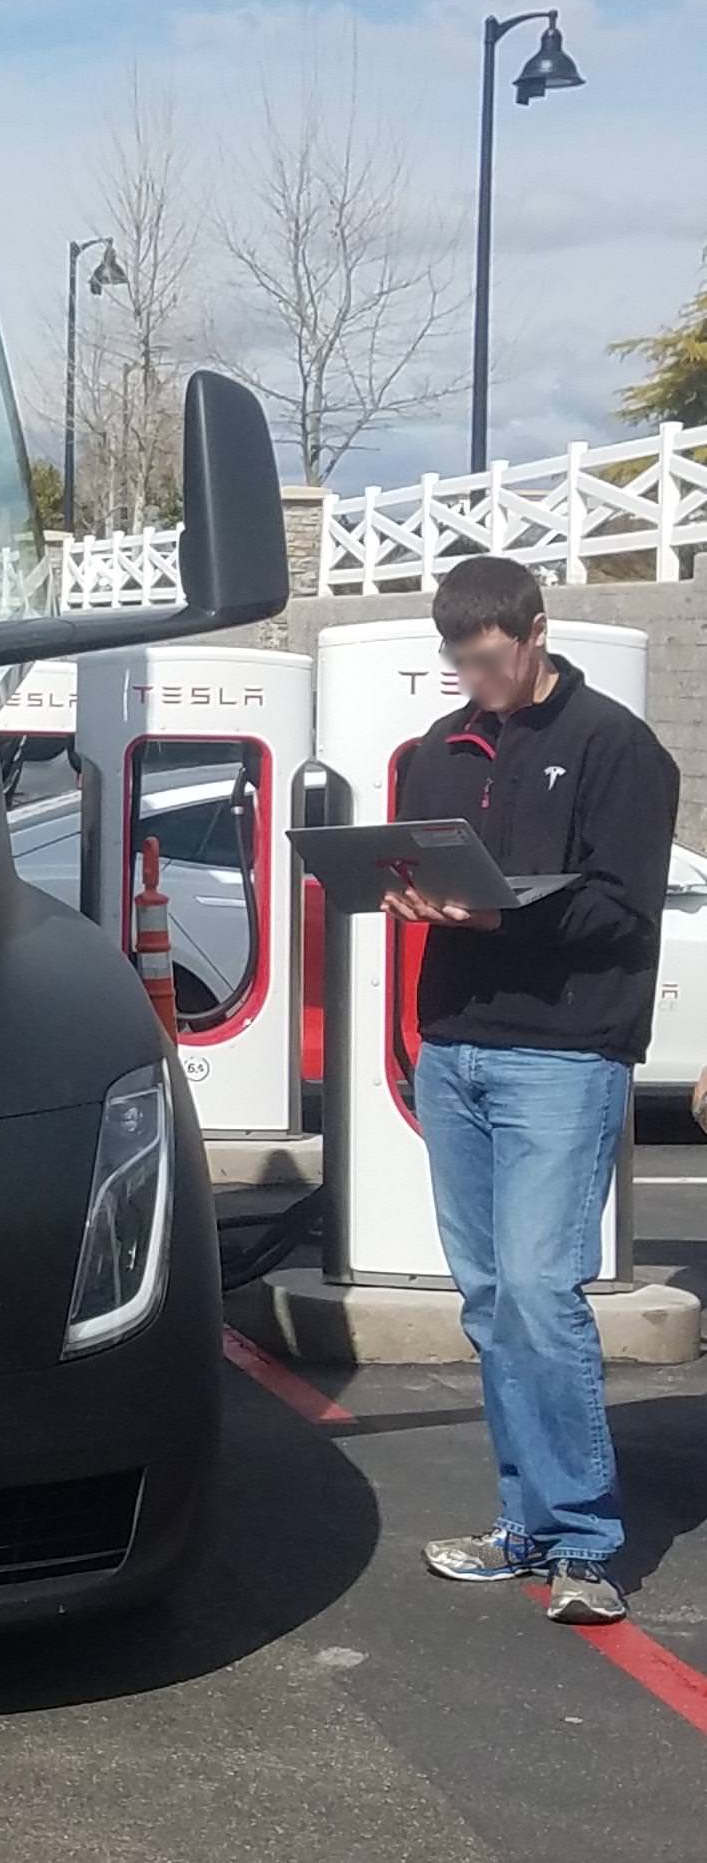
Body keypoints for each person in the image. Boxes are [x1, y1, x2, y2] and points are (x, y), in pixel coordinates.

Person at [389, 556, 679, 1625]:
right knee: (487, 1299)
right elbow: (419, 871)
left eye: (489, 658)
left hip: (562, 1053)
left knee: (540, 1293)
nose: (477, 680)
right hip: (457, 1048)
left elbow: (624, 910)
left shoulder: (615, 748)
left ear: (536, 633)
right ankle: (525, 1528)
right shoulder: (438, 747)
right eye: (460, 661)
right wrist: (409, 897)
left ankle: (586, 1543)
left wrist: (504, 914)